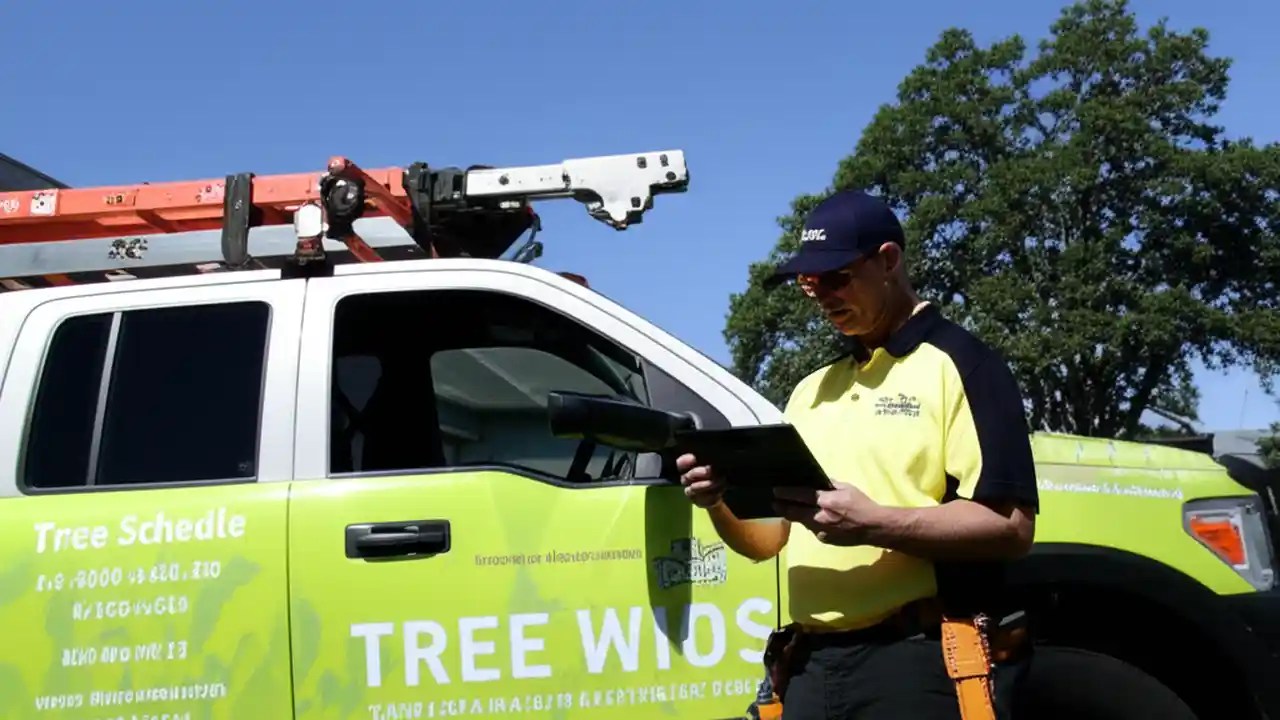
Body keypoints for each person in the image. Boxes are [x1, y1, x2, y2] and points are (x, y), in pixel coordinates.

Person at [678, 189, 1040, 719]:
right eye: (809, 283)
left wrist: (873, 524)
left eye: (837, 278)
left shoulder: (962, 364)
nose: (822, 295)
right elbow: (768, 542)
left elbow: (1010, 527)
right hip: (806, 667)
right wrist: (716, 501)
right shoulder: (809, 389)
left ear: (889, 261)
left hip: (915, 661)